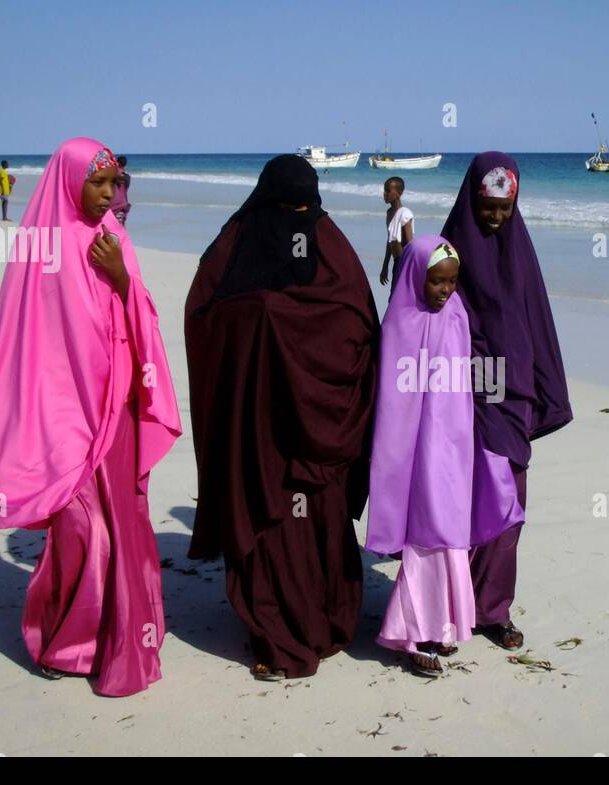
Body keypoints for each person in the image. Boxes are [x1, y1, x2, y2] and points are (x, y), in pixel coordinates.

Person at [0, 138, 182, 697]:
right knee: (81, 529)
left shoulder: (114, 238)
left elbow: (140, 314)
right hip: (63, 413)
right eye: (96, 183)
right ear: (70, 182)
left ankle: (122, 635)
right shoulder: (44, 247)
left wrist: (122, 278)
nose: (107, 195)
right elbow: (28, 338)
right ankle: (67, 641)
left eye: (112, 184)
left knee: (124, 526)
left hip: (116, 407)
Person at [184, 155, 380, 681]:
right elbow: (203, 316)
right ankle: (279, 635)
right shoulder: (235, 245)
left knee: (317, 525)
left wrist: (281, 328)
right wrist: (261, 324)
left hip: (319, 439)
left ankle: (327, 621)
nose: (299, 214)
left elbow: (360, 323)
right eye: (288, 204)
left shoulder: (329, 244)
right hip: (260, 432)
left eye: (306, 204)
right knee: (274, 529)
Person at [440, 152, 572, 651]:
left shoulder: (521, 254)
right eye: (487, 207)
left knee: (507, 503)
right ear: (471, 198)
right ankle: (449, 607)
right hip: (456, 394)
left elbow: (536, 323)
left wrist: (540, 388)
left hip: (507, 397)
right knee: (454, 503)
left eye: (504, 209)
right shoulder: (448, 248)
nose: (495, 218)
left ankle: (493, 609)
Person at [368, 236, 476, 677]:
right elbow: (394, 402)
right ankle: (412, 632)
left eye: (451, 282)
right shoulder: (400, 323)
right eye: (436, 281)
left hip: (451, 445)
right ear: (415, 276)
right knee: (424, 532)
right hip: (413, 451)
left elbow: (463, 385)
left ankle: (444, 622)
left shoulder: (457, 317)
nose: (445, 290)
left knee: (448, 526)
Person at [379, 176, 413, 288]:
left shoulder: (405, 214)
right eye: (384, 190)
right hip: (396, 262)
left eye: (388, 191)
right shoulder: (389, 213)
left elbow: (410, 244)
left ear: (399, 193)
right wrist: (385, 266)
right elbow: (390, 241)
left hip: (403, 262)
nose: (385, 194)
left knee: (397, 297)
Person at [110, 155, 132, 226]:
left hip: (114, 207)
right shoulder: (127, 177)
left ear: (117, 163)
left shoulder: (112, 175)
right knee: (120, 230)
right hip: (123, 205)